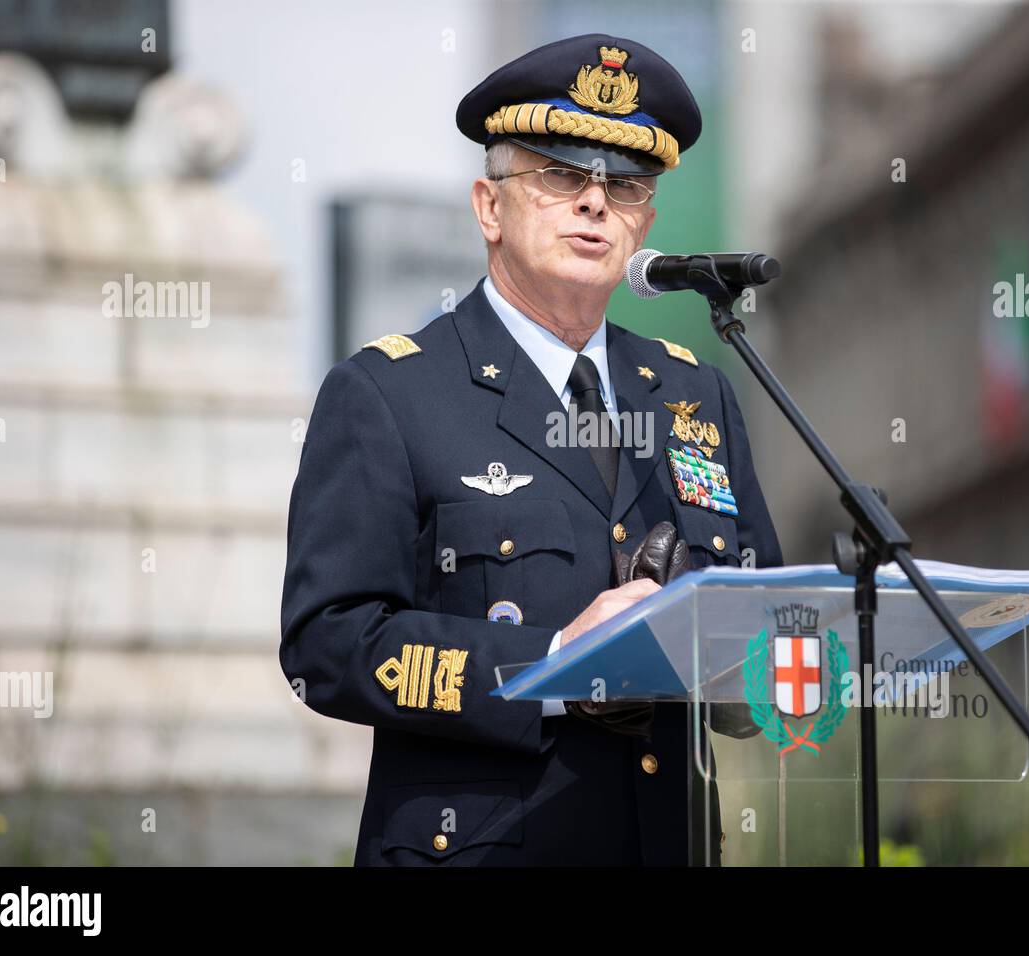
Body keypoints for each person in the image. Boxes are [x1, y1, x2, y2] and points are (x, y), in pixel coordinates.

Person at [280, 33, 782, 866]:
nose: (594, 203)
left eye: (623, 186)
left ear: (644, 224)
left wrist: (778, 660)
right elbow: (328, 646)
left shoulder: (696, 394)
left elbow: (762, 629)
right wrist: (551, 665)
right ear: (488, 206)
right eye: (560, 174)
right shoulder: (390, 394)